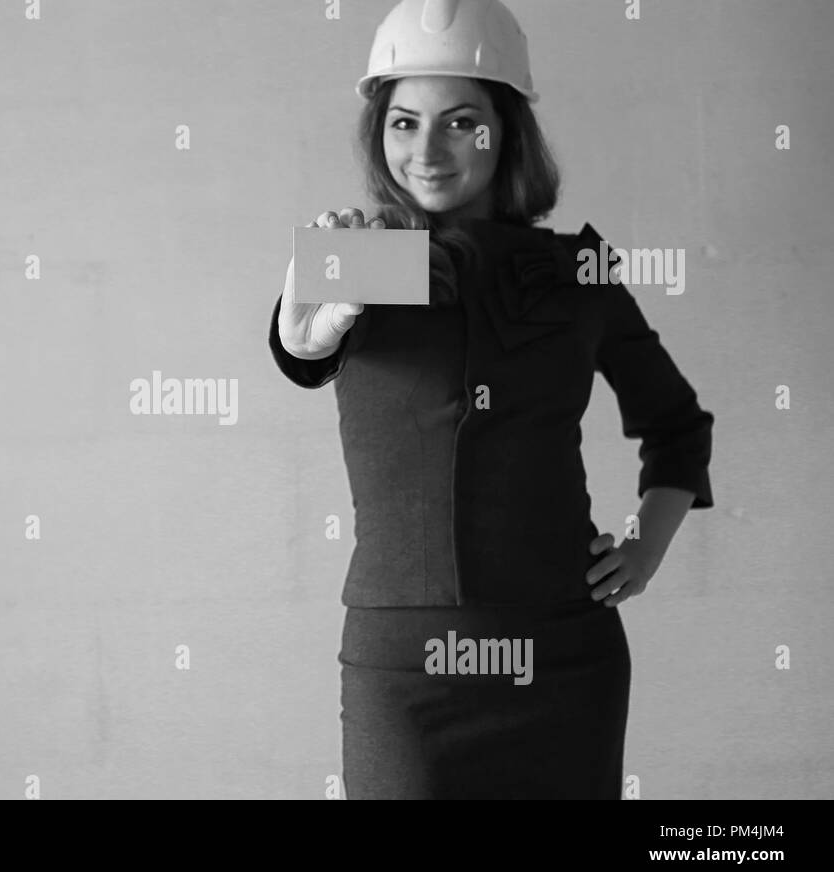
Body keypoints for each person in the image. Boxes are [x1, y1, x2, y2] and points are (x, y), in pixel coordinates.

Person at [267, 0, 714, 799]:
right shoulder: (360, 256)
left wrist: (644, 547)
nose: (427, 150)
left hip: (565, 659)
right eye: (403, 122)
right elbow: (301, 351)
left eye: (460, 121)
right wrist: (307, 325)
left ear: (504, 129)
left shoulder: (575, 271)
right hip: (404, 672)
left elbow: (676, 426)